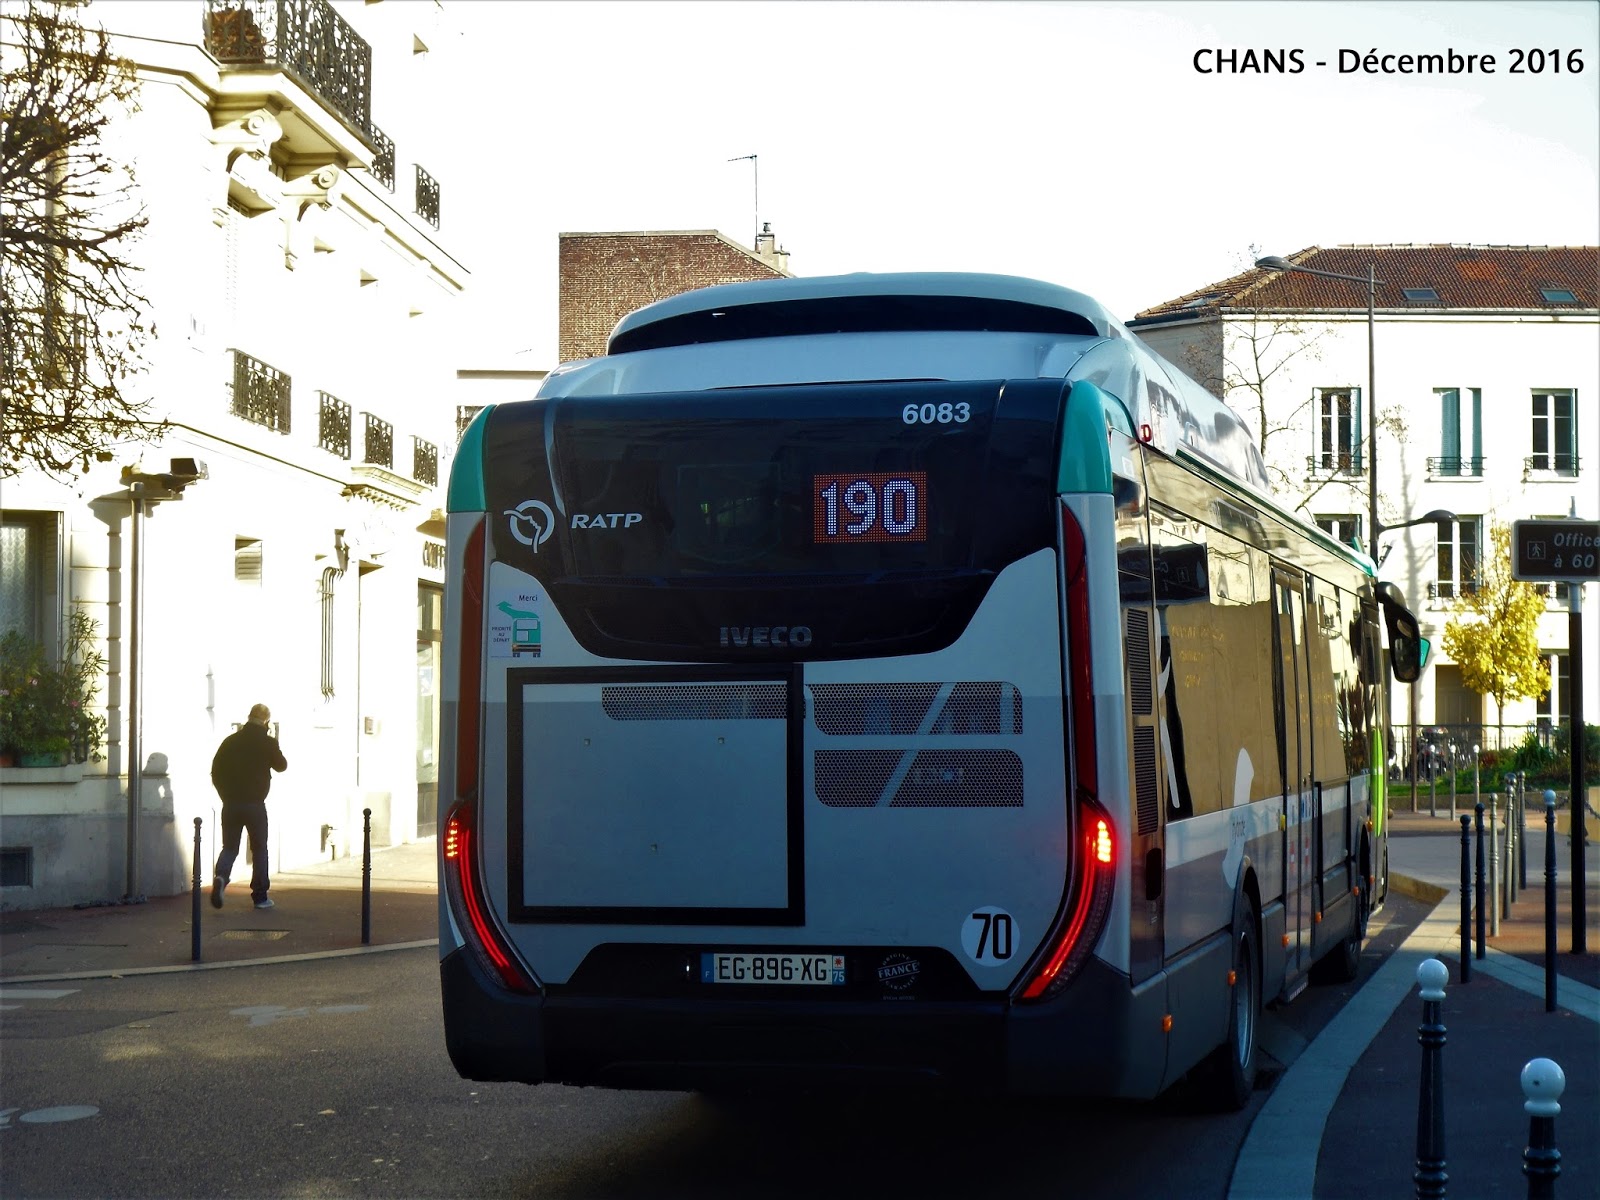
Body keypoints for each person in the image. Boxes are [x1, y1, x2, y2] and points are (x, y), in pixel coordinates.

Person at [210, 703, 288, 910]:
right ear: (266, 721)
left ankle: (221, 877)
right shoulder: (268, 743)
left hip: (231, 803)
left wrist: (225, 794)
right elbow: (282, 766)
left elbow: (215, 771)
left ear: (249, 717)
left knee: (229, 847)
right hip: (255, 804)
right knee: (259, 849)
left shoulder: (230, 741)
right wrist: (274, 743)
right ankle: (260, 896)